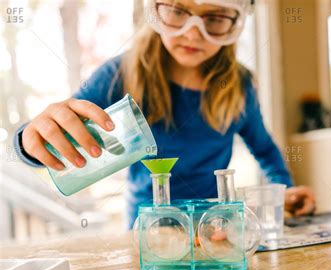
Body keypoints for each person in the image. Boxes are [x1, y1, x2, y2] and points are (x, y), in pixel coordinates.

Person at [14, 0, 315, 229]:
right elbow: (55, 132)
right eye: (177, 10)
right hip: (147, 229)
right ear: (155, 10)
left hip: (214, 226)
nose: (194, 34)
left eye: (215, 17)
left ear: (235, 22)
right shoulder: (121, 74)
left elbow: (264, 149)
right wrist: (29, 140)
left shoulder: (238, 86)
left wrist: (283, 190)